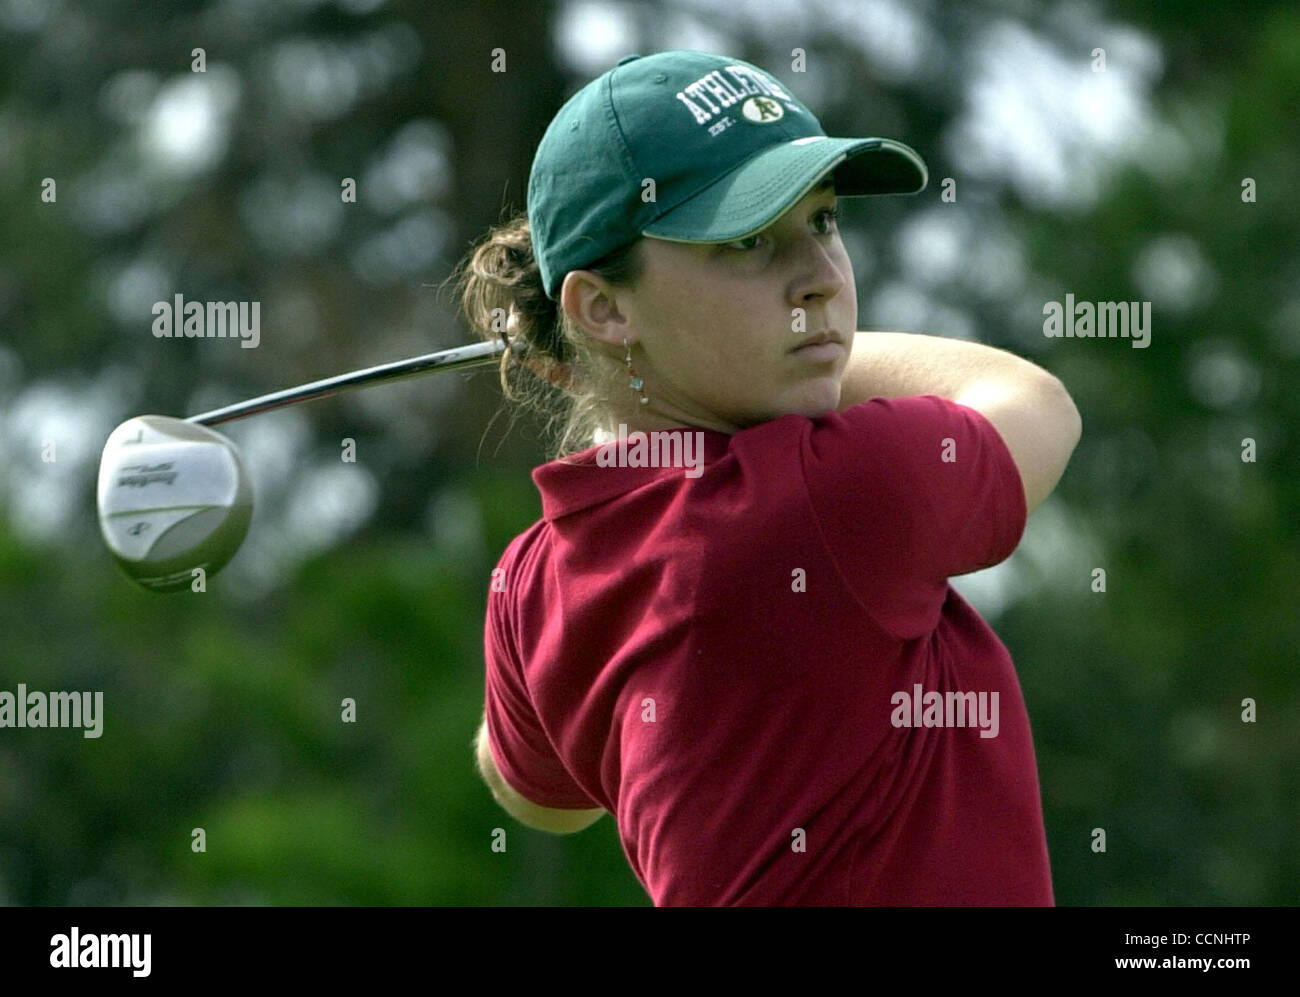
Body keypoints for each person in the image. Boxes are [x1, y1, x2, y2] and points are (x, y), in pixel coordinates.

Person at [453, 49, 1081, 906]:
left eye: (823, 222)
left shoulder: (529, 583)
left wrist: (611, 367)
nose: (821, 281)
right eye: (749, 240)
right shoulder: (833, 490)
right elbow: (1036, 402)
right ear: (603, 306)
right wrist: (818, 358)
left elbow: (534, 792)